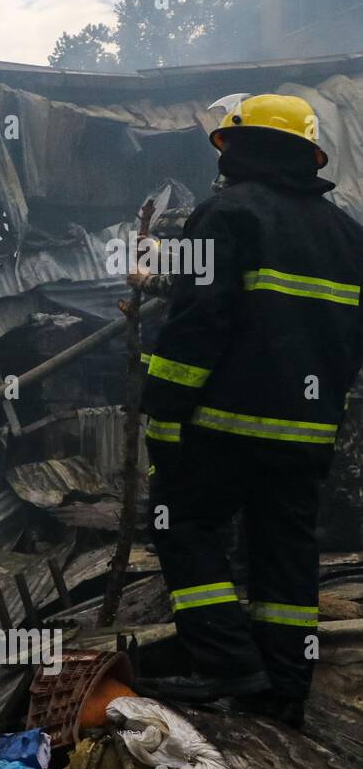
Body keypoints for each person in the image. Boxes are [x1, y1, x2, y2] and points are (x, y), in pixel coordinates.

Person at [137, 93, 363, 729]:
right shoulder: (348, 232)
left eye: (228, 144)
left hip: (223, 425)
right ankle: (283, 689)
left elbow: (198, 326)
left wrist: (164, 409)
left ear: (248, 146)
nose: (223, 157)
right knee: (284, 553)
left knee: (182, 525)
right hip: (309, 432)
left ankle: (227, 664)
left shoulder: (225, 215)